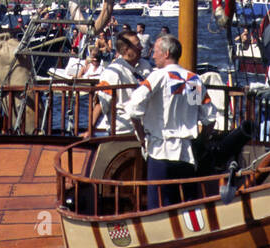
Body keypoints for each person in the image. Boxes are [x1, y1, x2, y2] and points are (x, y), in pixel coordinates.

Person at [124, 32, 217, 208]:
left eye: (155, 51)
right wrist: (201, 142)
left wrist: (142, 137)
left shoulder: (157, 77)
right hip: (186, 155)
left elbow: (133, 109)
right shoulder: (192, 80)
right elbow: (209, 118)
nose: (152, 55)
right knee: (187, 208)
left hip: (160, 152)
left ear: (166, 54)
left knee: (158, 209)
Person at [88, 29, 151, 135]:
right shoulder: (113, 72)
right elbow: (101, 102)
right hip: (124, 131)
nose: (141, 48)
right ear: (126, 50)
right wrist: (90, 130)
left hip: (147, 130)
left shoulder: (146, 66)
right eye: (137, 45)